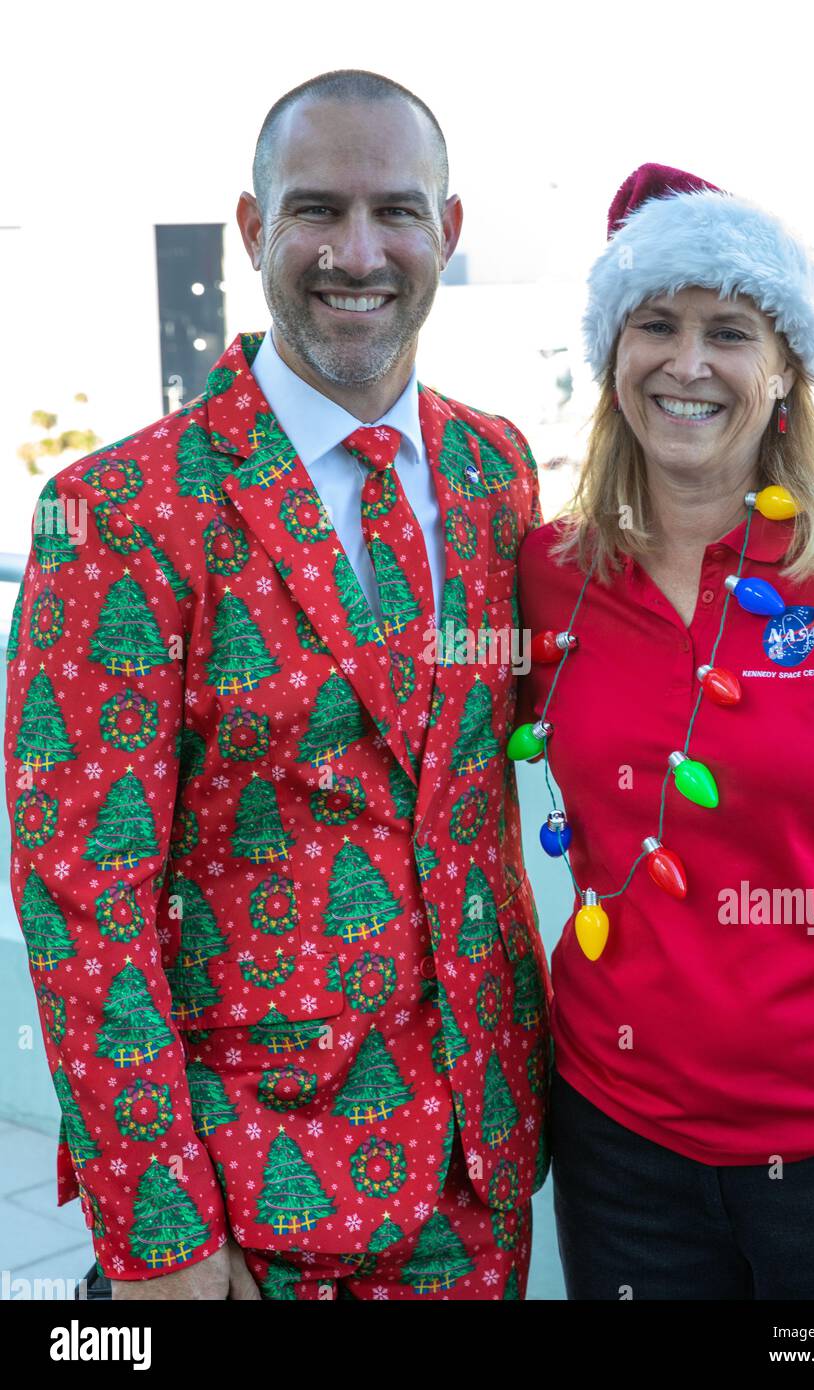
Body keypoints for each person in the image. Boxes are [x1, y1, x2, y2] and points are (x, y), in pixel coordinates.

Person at [4, 69, 551, 1302]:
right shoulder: (117, 510)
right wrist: (164, 1236)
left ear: (446, 235)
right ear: (254, 232)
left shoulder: (495, 470)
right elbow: (81, 903)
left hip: (485, 1171)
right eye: (317, 210)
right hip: (247, 1202)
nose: (357, 252)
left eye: (396, 212)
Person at [515, 163, 814, 1300]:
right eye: (655, 324)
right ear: (614, 361)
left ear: (786, 368)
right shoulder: (549, 580)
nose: (689, 362)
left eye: (731, 330)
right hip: (620, 1146)